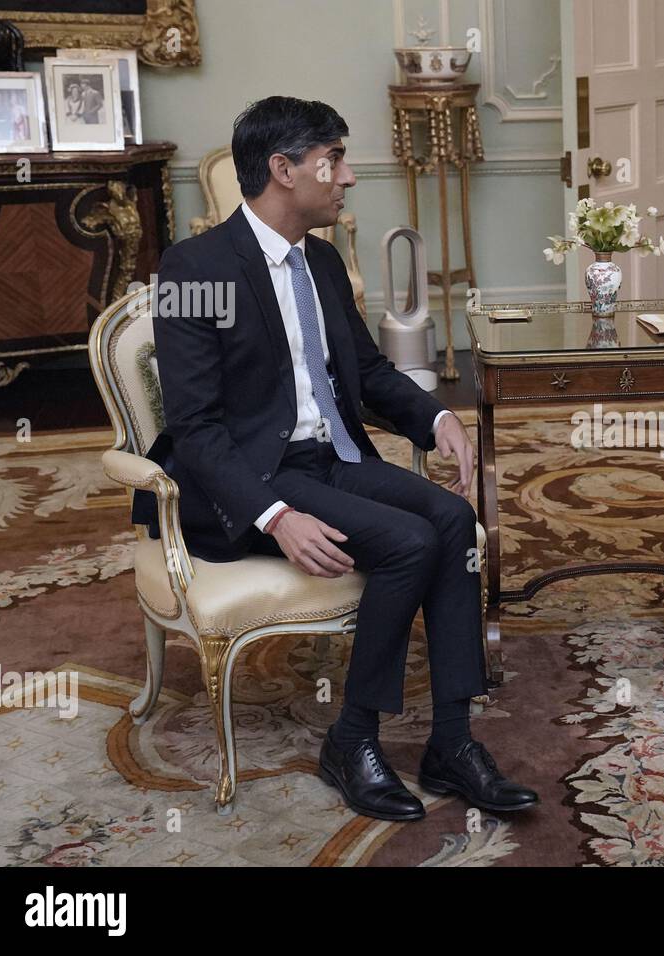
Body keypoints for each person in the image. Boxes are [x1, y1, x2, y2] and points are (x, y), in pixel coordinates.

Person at [131, 96, 538, 821]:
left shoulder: (320, 261)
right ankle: (351, 739)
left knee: (450, 519)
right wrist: (275, 514)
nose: (348, 176)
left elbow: (369, 373)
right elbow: (195, 429)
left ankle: (451, 742)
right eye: (335, 159)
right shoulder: (196, 267)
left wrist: (437, 416)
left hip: (332, 457)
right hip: (255, 477)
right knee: (409, 542)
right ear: (284, 169)